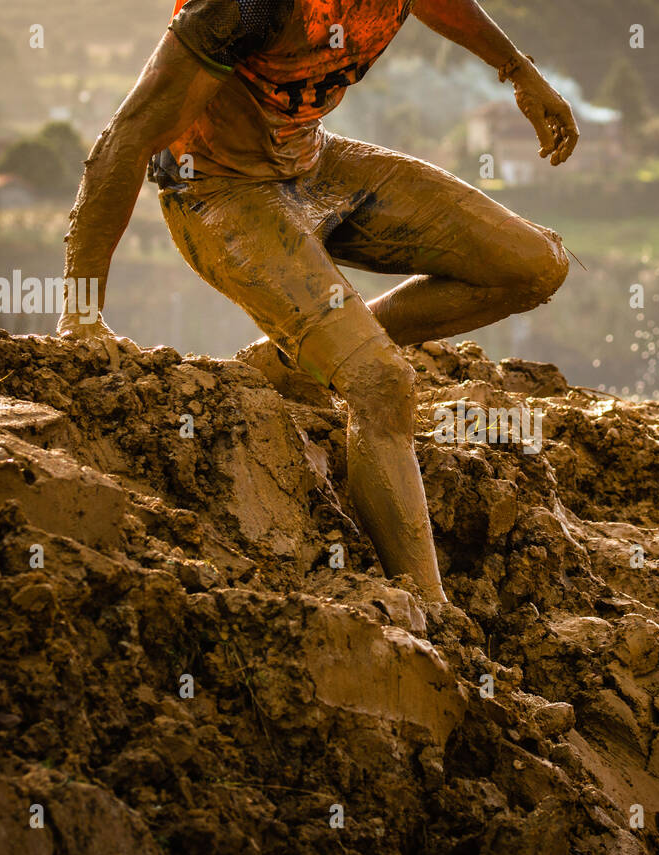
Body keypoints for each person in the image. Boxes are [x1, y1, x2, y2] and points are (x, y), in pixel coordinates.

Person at [57, 0, 579, 602]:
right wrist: (81, 314)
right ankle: (431, 616)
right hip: (219, 190)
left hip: (313, 162)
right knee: (380, 383)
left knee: (534, 264)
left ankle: (291, 361)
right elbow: (129, 134)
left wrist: (517, 69)